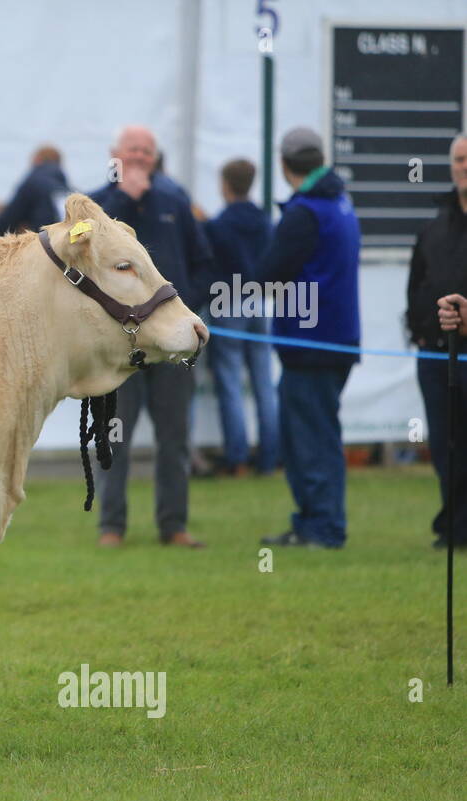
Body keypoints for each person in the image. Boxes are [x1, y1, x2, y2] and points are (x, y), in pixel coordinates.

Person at [89, 125, 214, 549]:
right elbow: (85, 259)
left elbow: (203, 262)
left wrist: (184, 308)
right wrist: (126, 197)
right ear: (115, 155)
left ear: (156, 158)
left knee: (175, 437)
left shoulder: (175, 201)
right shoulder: (98, 207)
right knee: (113, 436)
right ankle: (111, 527)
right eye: (133, 150)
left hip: (173, 349)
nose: (141, 156)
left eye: (147, 151)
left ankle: (174, 526)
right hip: (120, 349)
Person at [257, 127, 361, 550]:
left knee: (309, 440)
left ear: (284, 165)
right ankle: (314, 523)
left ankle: (322, 528)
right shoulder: (340, 202)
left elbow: (268, 274)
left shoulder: (304, 213)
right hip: (335, 339)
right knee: (316, 435)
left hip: (310, 344)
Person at [407, 133, 467, 548]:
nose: (464, 166)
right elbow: (417, 285)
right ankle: (454, 523)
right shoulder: (433, 227)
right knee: (445, 447)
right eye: (459, 159)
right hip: (435, 356)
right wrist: (423, 327)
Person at [203, 158, 277, 476]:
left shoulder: (220, 224)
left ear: (225, 184)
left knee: (231, 383)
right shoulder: (264, 220)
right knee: (264, 383)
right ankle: (271, 456)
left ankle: (238, 457)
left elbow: (214, 257)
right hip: (259, 301)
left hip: (228, 301)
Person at [0, 144, 71, 235]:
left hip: (45, 243)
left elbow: (5, 223)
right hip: (66, 241)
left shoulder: (34, 182)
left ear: (37, 160)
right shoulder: (67, 189)